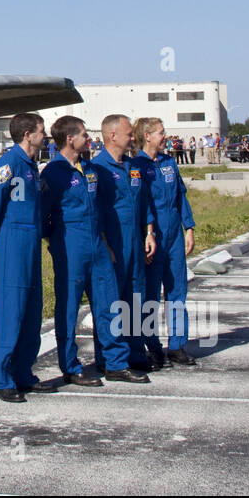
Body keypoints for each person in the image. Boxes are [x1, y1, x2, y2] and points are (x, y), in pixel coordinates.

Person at [0, 112, 55, 402]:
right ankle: (2, 379)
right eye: (41, 131)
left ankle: (24, 372)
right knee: (10, 309)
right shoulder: (9, 164)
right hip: (12, 241)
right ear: (28, 135)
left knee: (31, 308)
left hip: (31, 241)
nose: (45, 135)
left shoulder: (30, 166)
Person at [41, 115, 115, 387]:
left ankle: (113, 361)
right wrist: (56, 242)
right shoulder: (52, 173)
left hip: (97, 246)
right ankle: (71, 366)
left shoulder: (91, 169)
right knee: (69, 309)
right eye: (84, 134)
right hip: (70, 248)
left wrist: (105, 243)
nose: (89, 138)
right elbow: (42, 216)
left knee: (108, 304)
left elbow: (101, 208)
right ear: (70, 139)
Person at [90, 114, 156, 381]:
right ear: (112, 136)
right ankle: (109, 359)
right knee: (111, 302)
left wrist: (149, 232)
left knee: (135, 299)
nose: (133, 138)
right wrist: (104, 243)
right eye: (129, 133)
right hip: (113, 244)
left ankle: (135, 354)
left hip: (135, 242)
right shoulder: (98, 169)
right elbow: (93, 210)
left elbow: (144, 202)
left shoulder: (133, 167)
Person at [133, 118, 199, 367]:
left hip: (174, 238)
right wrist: (144, 238)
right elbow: (138, 206)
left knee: (177, 293)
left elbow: (180, 197)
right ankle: (153, 346)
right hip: (152, 239)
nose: (165, 136)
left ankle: (177, 346)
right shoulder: (136, 166)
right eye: (161, 133)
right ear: (147, 136)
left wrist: (189, 228)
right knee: (149, 297)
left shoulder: (170, 162)